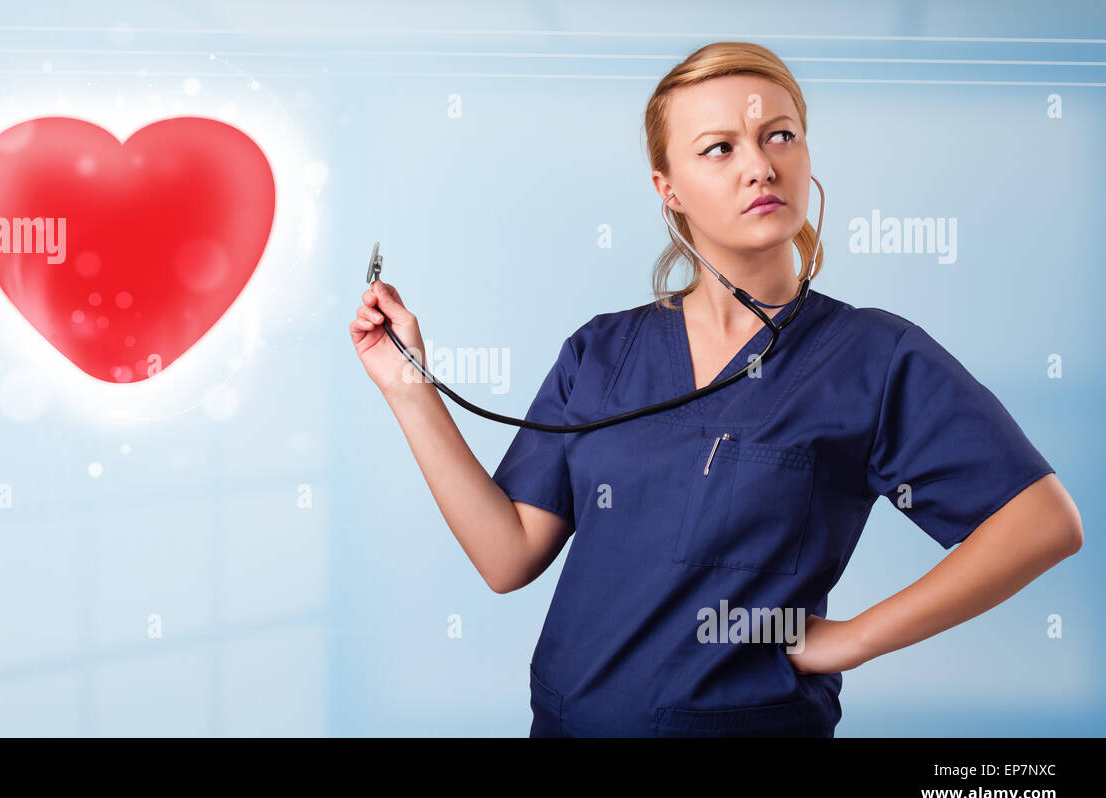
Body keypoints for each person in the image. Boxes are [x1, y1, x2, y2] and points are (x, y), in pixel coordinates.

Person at [348, 41, 1083, 737]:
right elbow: (506, 556)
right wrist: (410, 387)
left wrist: (855, 639)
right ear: (668, 189)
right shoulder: (601, 350)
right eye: (720, 148)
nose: (760, 167)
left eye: (781, 136)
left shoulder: (875, 357)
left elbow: (1042, 522)